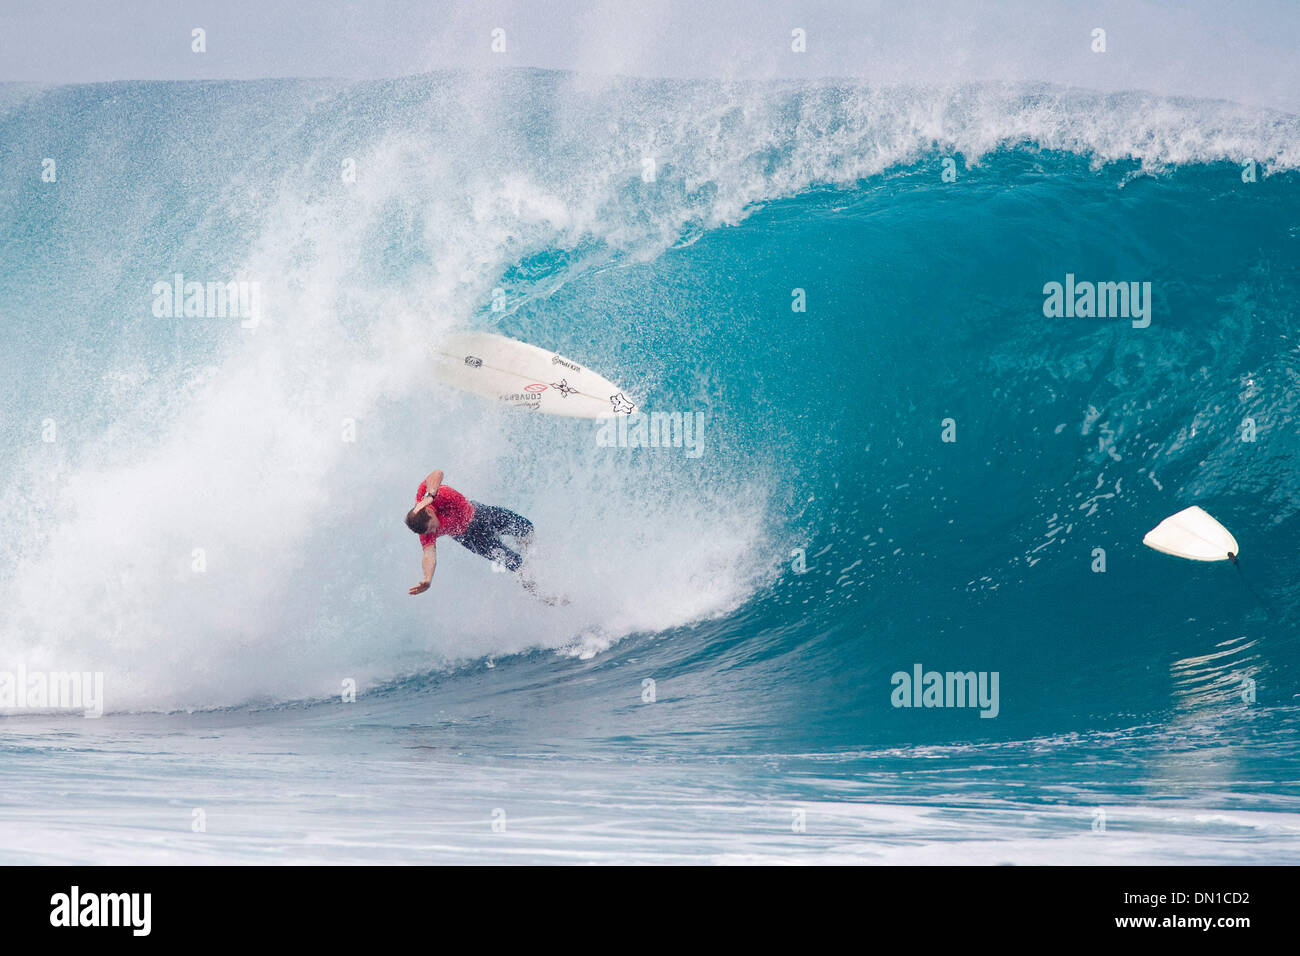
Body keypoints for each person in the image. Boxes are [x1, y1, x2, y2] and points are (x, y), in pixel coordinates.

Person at [405, 469, 547, 599]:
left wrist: (431, 495)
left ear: (429, 512)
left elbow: (437, 473)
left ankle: (527, 552)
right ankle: (540, 593)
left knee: (526, 528)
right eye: (430, 531)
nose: (433, 532)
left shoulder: (426, 495)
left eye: (432, 528)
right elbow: (429, 555)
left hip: (482, 513)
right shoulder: (425, 530)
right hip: (474, 539)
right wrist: (428, 578)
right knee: (515, 563)